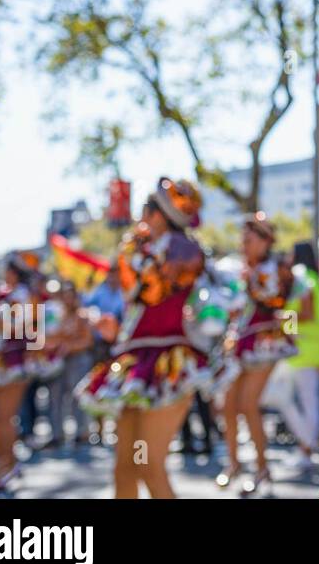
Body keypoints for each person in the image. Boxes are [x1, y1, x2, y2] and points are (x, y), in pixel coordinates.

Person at [75, 177, 218, 498]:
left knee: (149, 465)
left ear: (157, 215)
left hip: (168, 365)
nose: (139, 218)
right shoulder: (145, 251)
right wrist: (115, 329)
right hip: (135, 364)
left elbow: (156, 293)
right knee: (127, 465)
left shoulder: (181, 250)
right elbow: (141, 305)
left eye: (144, 210)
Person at [218, 212, 300, 493]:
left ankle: (262, 468)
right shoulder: (243, 269)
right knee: (227, 405)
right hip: (240, 340)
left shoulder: (276, 268)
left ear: (265, 241)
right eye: (242, 239)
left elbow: (275, 300)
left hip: (264, 341)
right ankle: (233, 463)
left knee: (248, 404)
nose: (244, 244)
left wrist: (250, 284)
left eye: (249, 239)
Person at [0, 253, 58, 490]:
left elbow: (23, 326)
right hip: (0, 357)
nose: (5, 274)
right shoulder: (6, 295)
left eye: (8, 270)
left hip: (15, 358)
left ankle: (8, 466)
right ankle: (2, 464)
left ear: (15, 272)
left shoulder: (22, 295)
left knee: (3, 415)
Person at [277, 240, 319, 465]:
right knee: (298, 399)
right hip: (307, 348)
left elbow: (306, 314)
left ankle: (307, 448)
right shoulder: (311, 277)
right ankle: (306, 446)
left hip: (304, 349)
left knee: (303, 399)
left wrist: (281, 320)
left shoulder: (303, 278)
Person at [43, 282, 95, 449]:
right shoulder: (57, 316)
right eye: (64, 297)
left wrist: (70, 347)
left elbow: (87, 341)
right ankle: (56, 434)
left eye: (70, 296)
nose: (67, 300)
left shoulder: (82, 315)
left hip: (78, 359)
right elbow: (52, 336)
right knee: (56, 397)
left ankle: (81, 433)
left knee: (78, 397)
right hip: (59, 361)